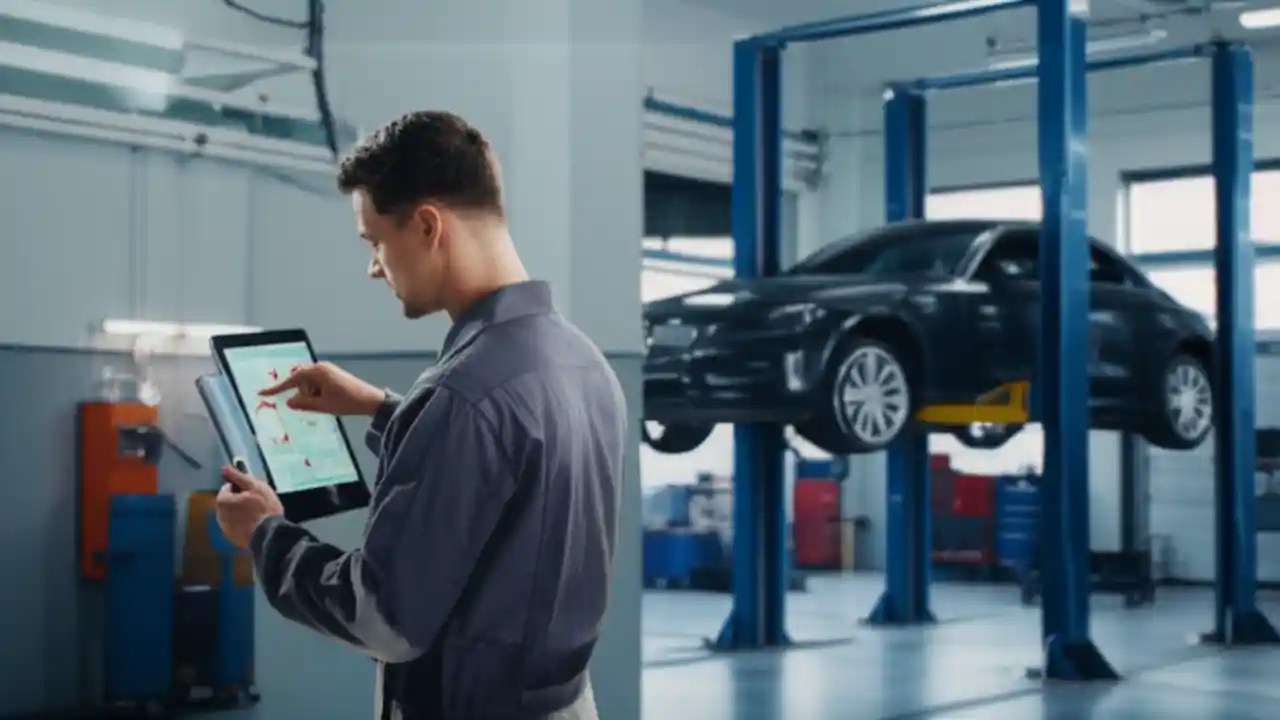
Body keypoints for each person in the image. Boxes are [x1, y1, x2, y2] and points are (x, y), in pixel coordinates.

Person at [214, 110, 627, 720]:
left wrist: (266, 535)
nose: (374, 267)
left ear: (429, 225)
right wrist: (384, 410)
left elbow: (385, 617)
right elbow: (508, 473)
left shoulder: (463, 396)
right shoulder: (582, 362)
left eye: (376, 241)